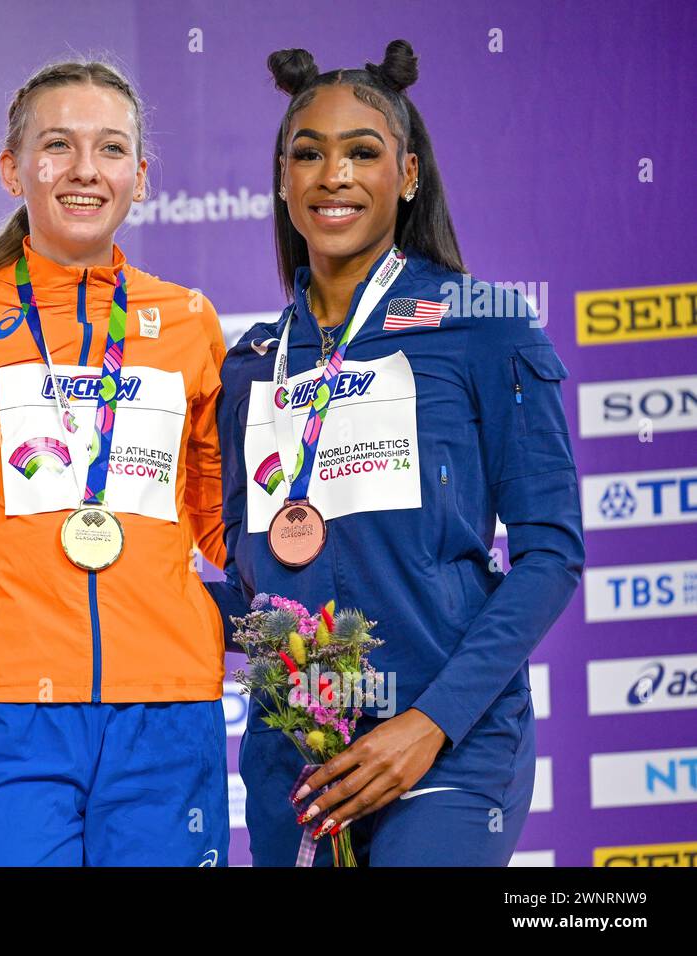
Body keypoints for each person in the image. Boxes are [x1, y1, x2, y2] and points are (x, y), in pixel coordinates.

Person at [215, 40, 584, 866]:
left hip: (445, 744)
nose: (332, 175)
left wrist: (429, 723)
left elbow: (551, 552)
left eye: (362, 152)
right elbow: (259, 581)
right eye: (306, 154)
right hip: (296, 758)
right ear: (282, 181)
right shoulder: (250, 364)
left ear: (408, 175)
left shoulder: (485, 324)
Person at [0, 60, 231, 867]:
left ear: (141, 177)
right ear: (12, 168)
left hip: (168, 702)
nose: (85, 170)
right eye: (58, 146)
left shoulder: (190, 322)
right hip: (10, 707)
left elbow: (221, 525)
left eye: (111, 149)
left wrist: (353, 569)